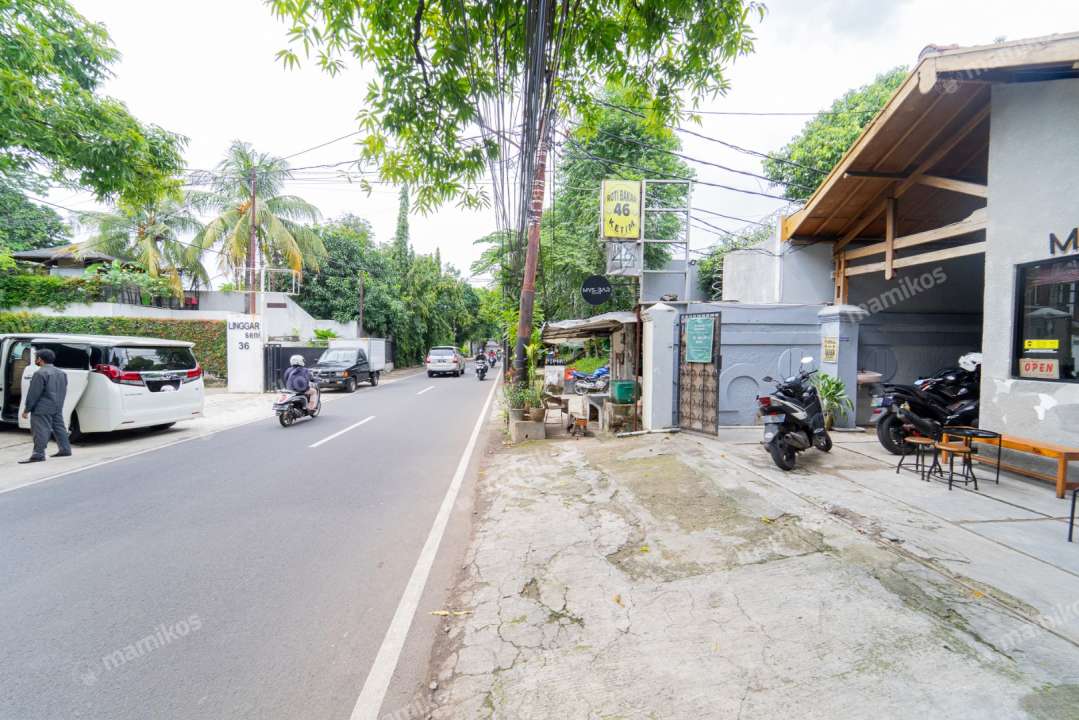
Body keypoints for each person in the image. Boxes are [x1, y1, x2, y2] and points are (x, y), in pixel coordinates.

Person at [18, 348, 72, 464]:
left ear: (40, 359)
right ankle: (65, 449)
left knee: (40, 430)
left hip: (42, 408)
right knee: (59, 428)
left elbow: (34, 394)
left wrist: (27, 410)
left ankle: (38, 454)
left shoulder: (40, 373)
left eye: (36, 358)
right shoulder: (61, 373)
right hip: (57, 405)